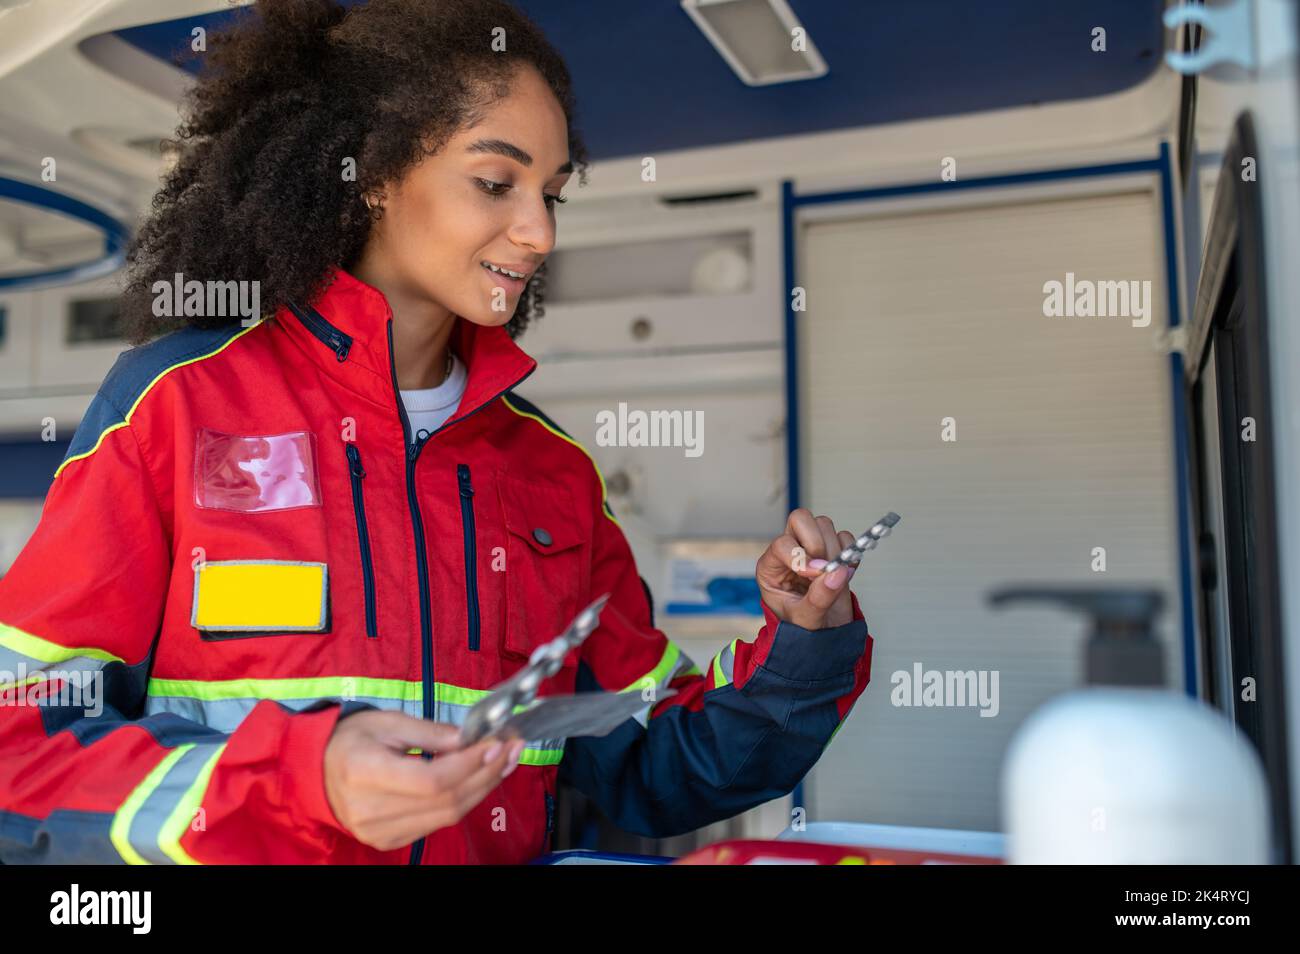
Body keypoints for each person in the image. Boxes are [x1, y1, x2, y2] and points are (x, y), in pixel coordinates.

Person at [0, 0, 873, 864]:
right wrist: (302, 781)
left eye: (553, 193)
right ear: (374, 174)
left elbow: (654, 758)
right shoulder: (179, 401)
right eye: (497, 183)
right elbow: (20, 741)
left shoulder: (550, 468)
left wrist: (804, 641)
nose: (538, 232)